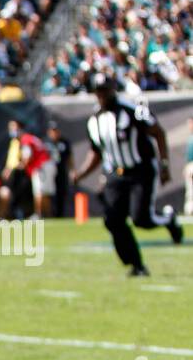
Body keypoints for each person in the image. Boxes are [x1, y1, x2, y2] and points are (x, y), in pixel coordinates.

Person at [74, 74, 183, 276]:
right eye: (98, 92)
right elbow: (97, 152)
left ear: (113, 89)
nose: (102, 95)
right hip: (115, 174)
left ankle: (168, 219)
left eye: (105, 90)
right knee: (112, 220)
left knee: (141, 219)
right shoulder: (95, 120)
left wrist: (164, 164)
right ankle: (136, 265)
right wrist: (82, 173)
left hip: (140, 171)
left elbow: (158, 132)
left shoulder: (132, 111)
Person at [47, 122, 74, 218]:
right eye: (52, 131)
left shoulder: (64, 142)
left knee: (61, 193)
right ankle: (49, 214)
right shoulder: (46, 143)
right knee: (49, 193)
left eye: (56, 131)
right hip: (49, 173)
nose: (54, 133)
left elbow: (69, 157)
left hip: (61, 171)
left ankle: (60, 214)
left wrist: (72, 170)